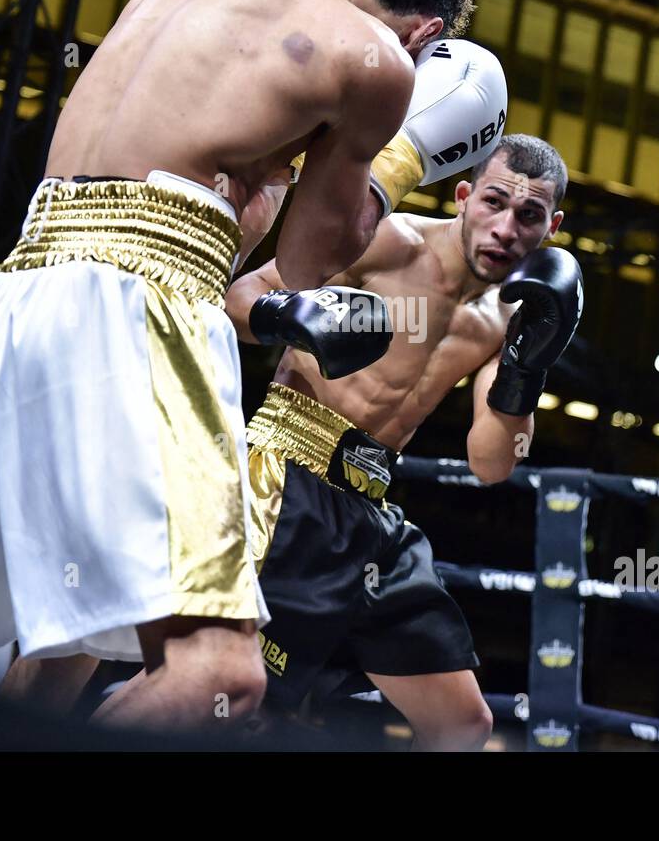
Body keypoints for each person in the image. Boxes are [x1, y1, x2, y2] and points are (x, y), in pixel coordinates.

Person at [0, 0, 477, 733]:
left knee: (67, 645)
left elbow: (216, 215)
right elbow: (311, 261)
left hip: (27, 288)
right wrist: (400, 160)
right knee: (222, 674)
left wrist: (271, 179)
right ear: (428, 31)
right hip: (146, 299)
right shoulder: (381, 61)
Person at [229, 135, 582, 749]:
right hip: (286, 474)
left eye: (527, 216)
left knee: (463, 724)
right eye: (494, 203)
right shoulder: (390, 241)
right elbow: (239, 296)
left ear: (551, 227)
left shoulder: (513, 317)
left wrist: (530, 369)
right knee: (235, 697)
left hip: (372, 509)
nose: (505, 228)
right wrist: (293, 318)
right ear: (465, 196)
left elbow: (492, 463)